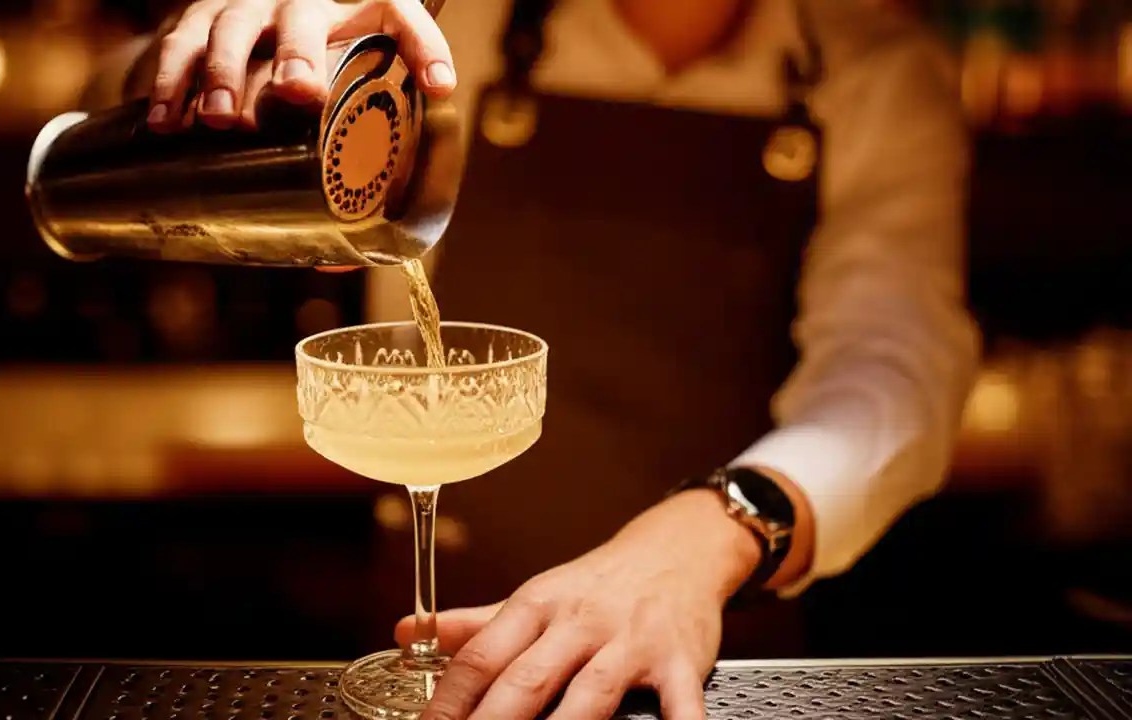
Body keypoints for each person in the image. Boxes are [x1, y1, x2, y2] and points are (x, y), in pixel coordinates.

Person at [86, 0, 981, 718]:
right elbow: (101, 95)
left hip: (712, 677)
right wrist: (200, 57)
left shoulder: (877, 71)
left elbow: (896, 367)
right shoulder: (441, 24)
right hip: (435, 661)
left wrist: (709, 535)